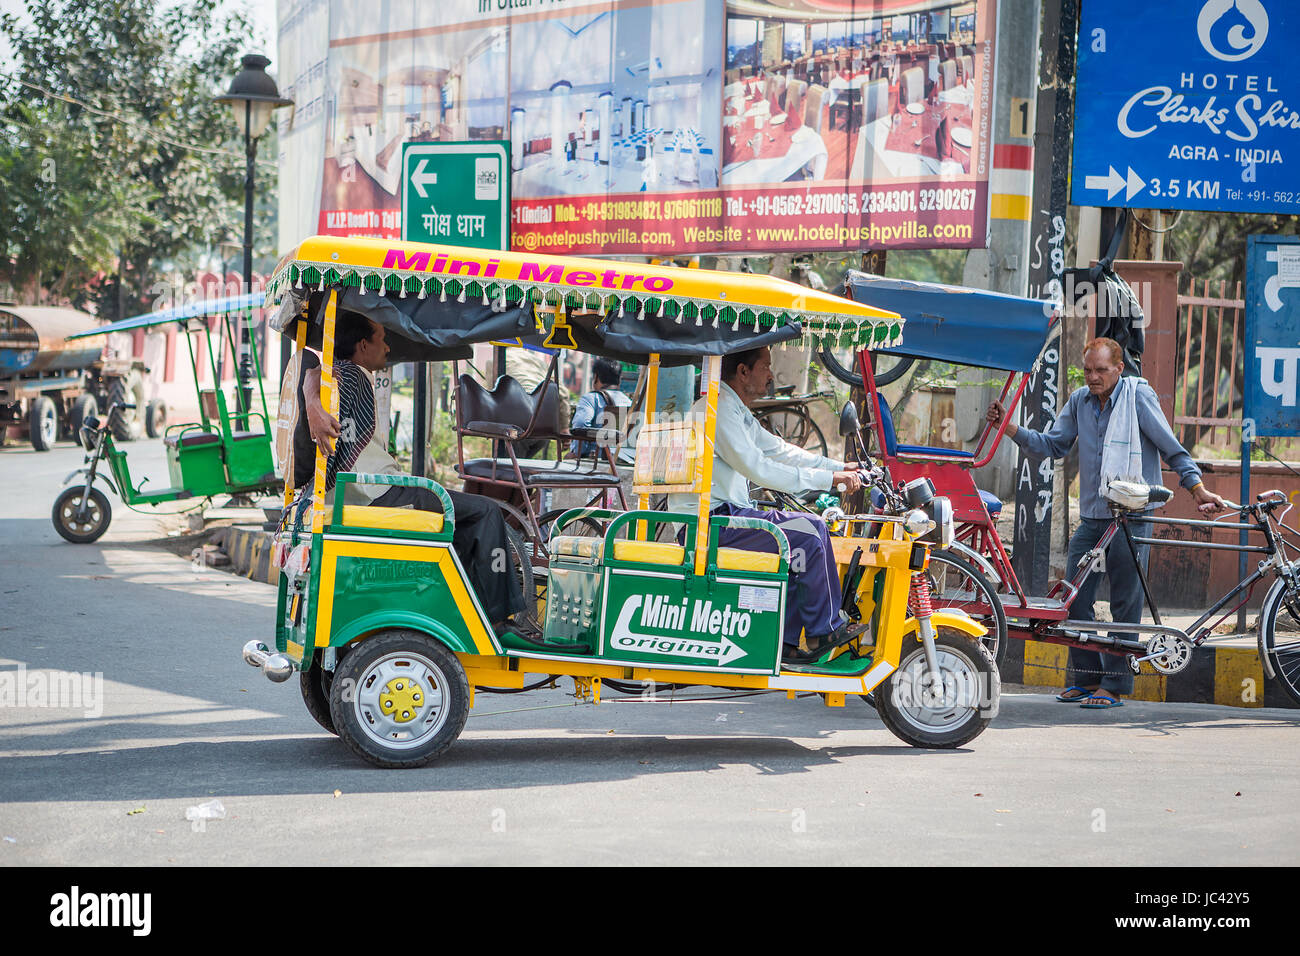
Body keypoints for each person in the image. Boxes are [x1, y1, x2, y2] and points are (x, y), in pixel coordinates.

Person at [986, 336, 1225, 709]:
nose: (1093, 377)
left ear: (1118, 369)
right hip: (1095, 518)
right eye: (1088, 370)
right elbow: (1053, 445)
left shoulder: (1137, 398)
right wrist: (1011, 428)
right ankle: (1085, 678)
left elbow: (1170, 448)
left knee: (1124, 604)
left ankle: (1113, 686)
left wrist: (1198, 490)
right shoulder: (1080, 401)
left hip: (1132, 518)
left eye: (1100, 370)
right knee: (1073, 600)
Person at [292, 311, 528, 634]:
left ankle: (462, 608)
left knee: (455, 520)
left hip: (361, 493)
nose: (388, 347)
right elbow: (314, 371)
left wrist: (310, 397)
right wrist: (310, 399)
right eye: (382, 339)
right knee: (486, 512)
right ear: (363, 345)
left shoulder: (338, 376)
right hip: (375, 494)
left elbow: (312, 370)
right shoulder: (352, 378)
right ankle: (499, 620)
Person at [668, 346, 863, 662]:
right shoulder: (715, 411)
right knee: (810, 531)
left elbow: (781, 451)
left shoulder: (733, 410)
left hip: (722, 517)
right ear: (744, 371)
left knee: (798, 542)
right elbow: (760, 469)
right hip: (710, 524)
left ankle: (783, 644)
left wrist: (837, 467)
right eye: (765, 366)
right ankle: (824, 631)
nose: (771, 375)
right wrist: (830, 481)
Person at [569, 357, 633, 464]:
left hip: (594, 458)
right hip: (621, 458)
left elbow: (581, 424)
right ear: (619, 380)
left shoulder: (590, 399)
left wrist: (577, 452)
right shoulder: (629, 402)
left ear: (596, 377)